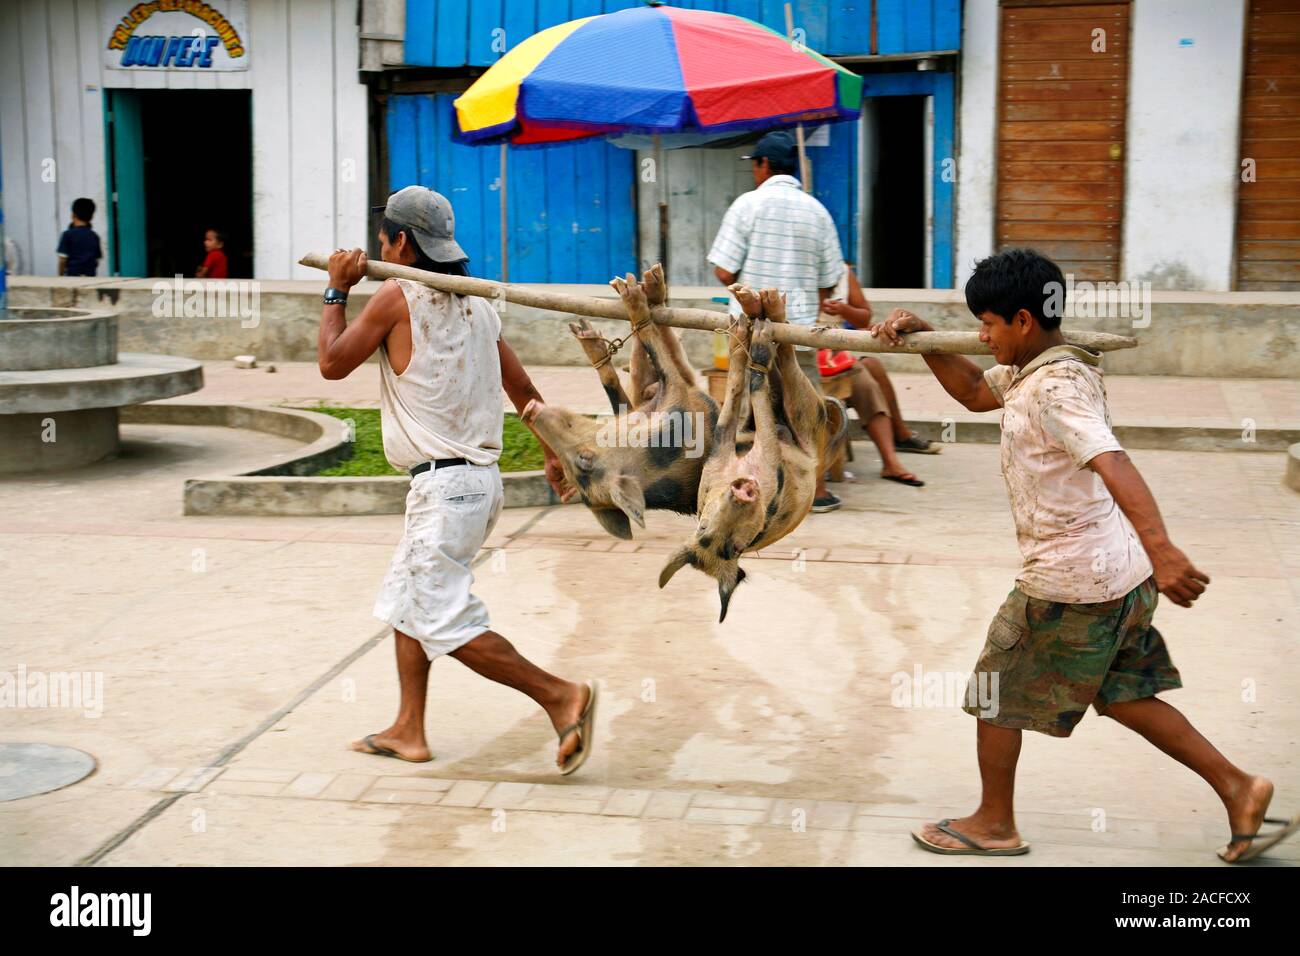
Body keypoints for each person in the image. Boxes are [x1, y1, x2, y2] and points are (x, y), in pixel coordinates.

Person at [874, 248, 1295, 863]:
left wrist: (1167, 548)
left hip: (1071, 582)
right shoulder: (1041, 366)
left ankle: (994, 824)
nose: (982, 336)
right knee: (1123, 693)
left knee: (994, 694)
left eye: (987, 325)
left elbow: (1112, 459)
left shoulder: (1056, 387)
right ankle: (1240, 788)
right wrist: (926, 340)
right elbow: (971, 391)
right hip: (1119, 575)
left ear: (1022, 320)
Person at [318, 185, 598, 775]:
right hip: (477, 485)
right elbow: (524, 393)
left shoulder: (395, 298)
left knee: (444, 619)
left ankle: (560, 696)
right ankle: (407, 730)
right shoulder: (478, 306)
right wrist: (553, 452)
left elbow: (332, 363)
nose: (379, 246)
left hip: (446, 491)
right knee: (407, 604)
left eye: (385, 237)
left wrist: (336, 290)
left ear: (400, 242)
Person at [708, 129, 849, 511]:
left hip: (750, 336)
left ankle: (744, 489)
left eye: (754, 166)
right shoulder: (817, 211)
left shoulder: (747, 205)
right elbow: (827, 284)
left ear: (763, 165)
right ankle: (815, 492)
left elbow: (724, 272)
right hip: (798, 333)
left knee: (748, 411)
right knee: (806, 414)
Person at [57, 198, 102, 277]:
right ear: (91, 217)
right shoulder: (94, 236)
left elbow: (62, 260)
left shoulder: (67, 235)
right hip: (90, 277)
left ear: (73, 215)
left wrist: (60, 275)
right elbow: (96, 261)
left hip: (73, 276)